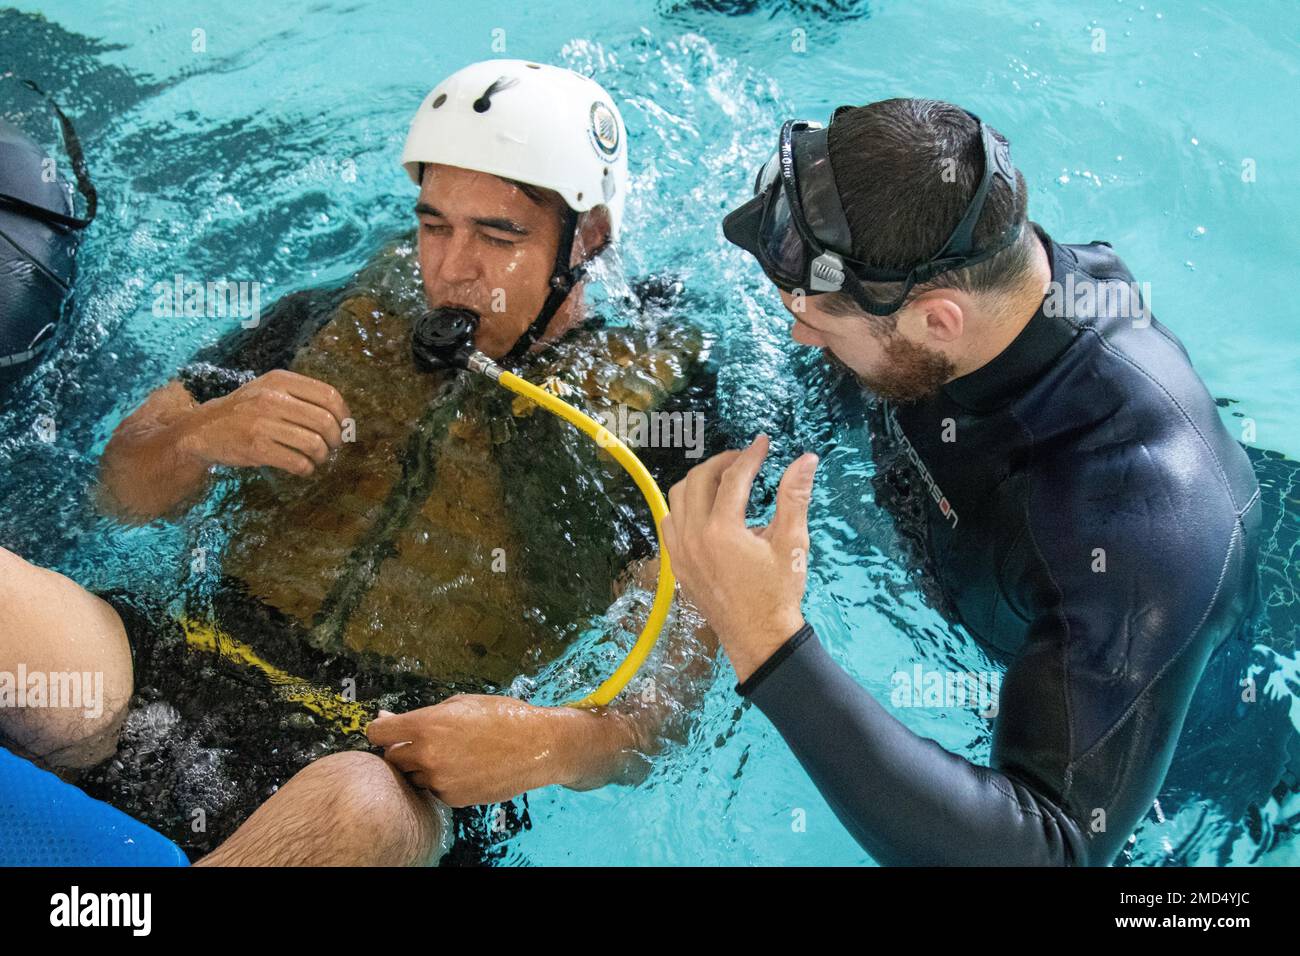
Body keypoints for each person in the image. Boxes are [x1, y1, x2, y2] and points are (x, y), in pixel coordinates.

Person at [95, 60, 721, 857]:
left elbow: (671, 702)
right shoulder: (342, 315)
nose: (452, 268)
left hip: (394, 762)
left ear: (588, 236)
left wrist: (553, 743)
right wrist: (201, 436)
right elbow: (118, 495)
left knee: (352, 806)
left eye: (498, 234)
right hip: (183, 660)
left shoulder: (663, 410)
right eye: (434, 225)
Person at [661, 98, 1278, 865]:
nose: (795, 330)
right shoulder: (960, 276)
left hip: (1194, 798)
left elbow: (1052, 852)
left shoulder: (1137, 527)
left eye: (816, 317)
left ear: (938, 320)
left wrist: (767, 640)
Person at [0, 546, 447, 866]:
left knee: (365, 807)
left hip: (374, 808)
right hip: (168, 678)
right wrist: (190, 441)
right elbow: (121, 498)